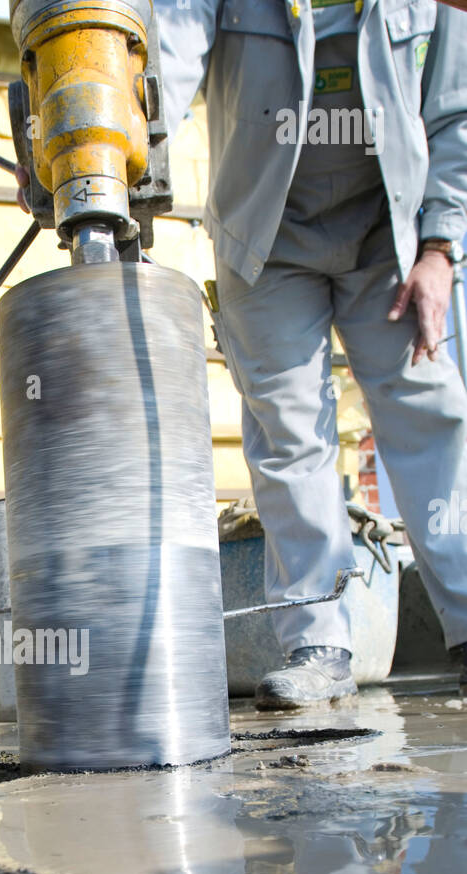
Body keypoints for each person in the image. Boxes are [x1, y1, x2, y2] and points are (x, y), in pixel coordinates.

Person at [139, 0, 467, 709]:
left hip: (393, 235)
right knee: (290, 436)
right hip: (265, 240)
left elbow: (454, 116)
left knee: (430, 416)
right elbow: (160, 67)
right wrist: (100, 148)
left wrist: (440, 248)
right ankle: (319, 647)